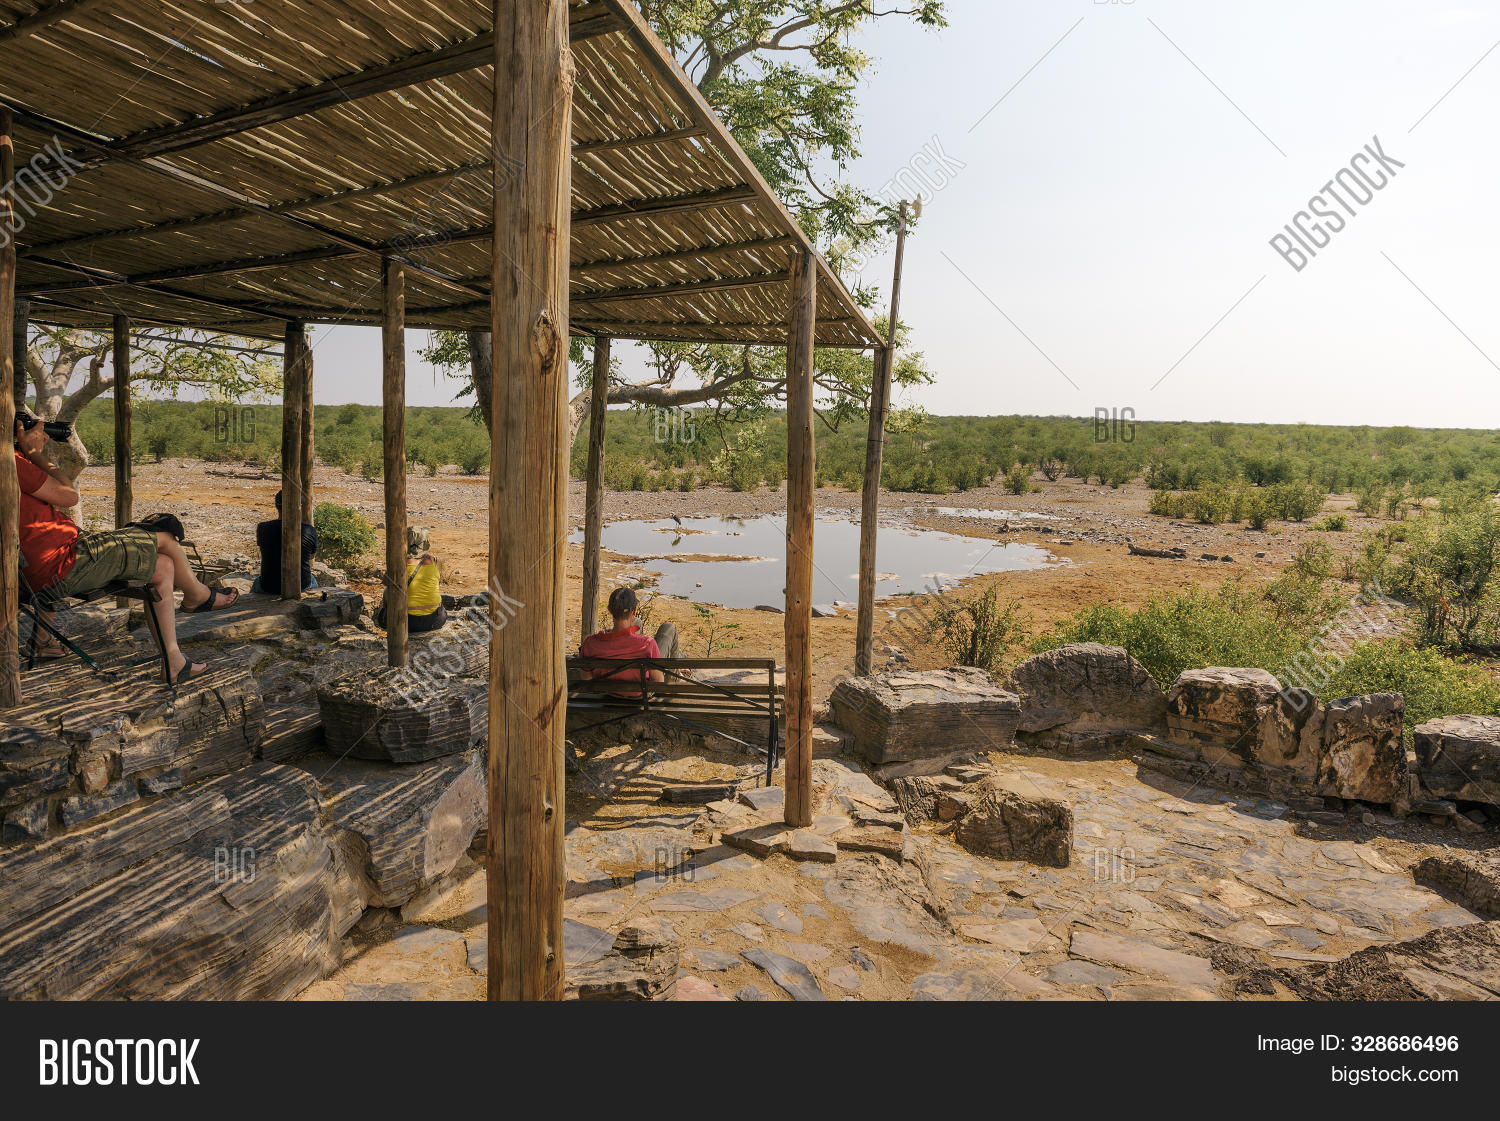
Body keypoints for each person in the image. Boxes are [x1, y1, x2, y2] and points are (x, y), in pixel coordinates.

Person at [15, 413, 237, 683]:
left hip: (30, 571)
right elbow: (69, 496)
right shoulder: (11, 463)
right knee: (164, 535)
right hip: (62, 564)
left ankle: (174, 660)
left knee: (163, 566)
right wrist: (37, 453)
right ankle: (197, 595)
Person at [578, 587, 679, 688]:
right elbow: (658, 682)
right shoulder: (647, 644)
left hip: (606, 694)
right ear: (634, 611)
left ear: (609, 610)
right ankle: (673, 682)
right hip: (640, 696)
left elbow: (586, 679)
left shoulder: (589, 643)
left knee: (637, 622)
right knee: (668, 628)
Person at [251, 490, 317, 595]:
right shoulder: (309, 530)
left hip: (269, 586)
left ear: (276, 506)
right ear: (299, 507)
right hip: (301, 586)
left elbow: (267, 552)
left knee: (257, 582)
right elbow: (311, 556)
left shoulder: (263, 528)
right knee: (312, 579)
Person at [403, 527, 447, 635]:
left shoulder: (399, 563)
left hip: (406, 621)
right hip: (434, 620)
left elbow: (387, 584)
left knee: (387, 591)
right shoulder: (436, 562)